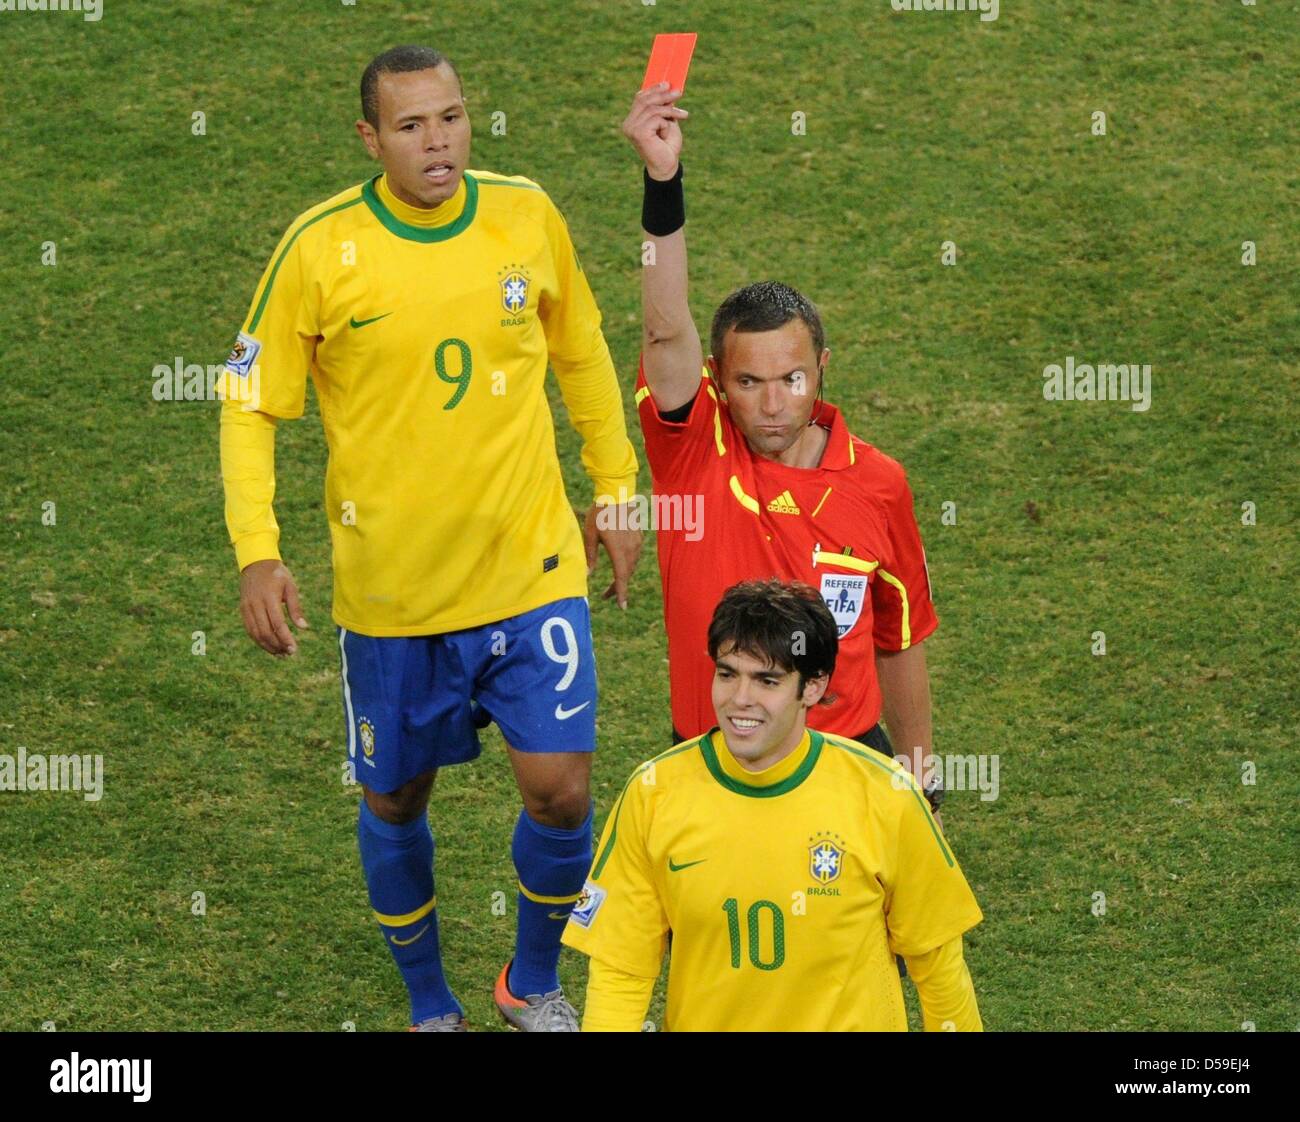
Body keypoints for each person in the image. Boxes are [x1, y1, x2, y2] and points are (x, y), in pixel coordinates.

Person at [218, 45, 643, 1032]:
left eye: (450, 117)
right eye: (410, 126)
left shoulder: (523, 214)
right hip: (393, 597)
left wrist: (616, 488)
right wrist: (257, 548)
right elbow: (248, 403)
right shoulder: (321, 250)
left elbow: (579, 347)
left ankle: (531, 983)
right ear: (370, 139)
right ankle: (428, 1005)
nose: (437, 140)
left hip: (530, 566)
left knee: (562, 790)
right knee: (398, 800)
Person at [617, 84, 942, 811]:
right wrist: (662, 182)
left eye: (792, 378)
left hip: (847, 766)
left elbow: (901, 636)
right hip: (711, 767)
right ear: (717, 383)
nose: (771, 403)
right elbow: (665, 331)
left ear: (823, 367)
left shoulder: (879, 483)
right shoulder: (694, 452)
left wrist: (920, 771)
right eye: (749, 381)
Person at [561, 579, 983, 1031]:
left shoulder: (885, 795)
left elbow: (937, 963)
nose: (740, 699)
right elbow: (621, 970)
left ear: (813, 688)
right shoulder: (654, 794)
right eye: (728, 674)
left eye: (767, 680)